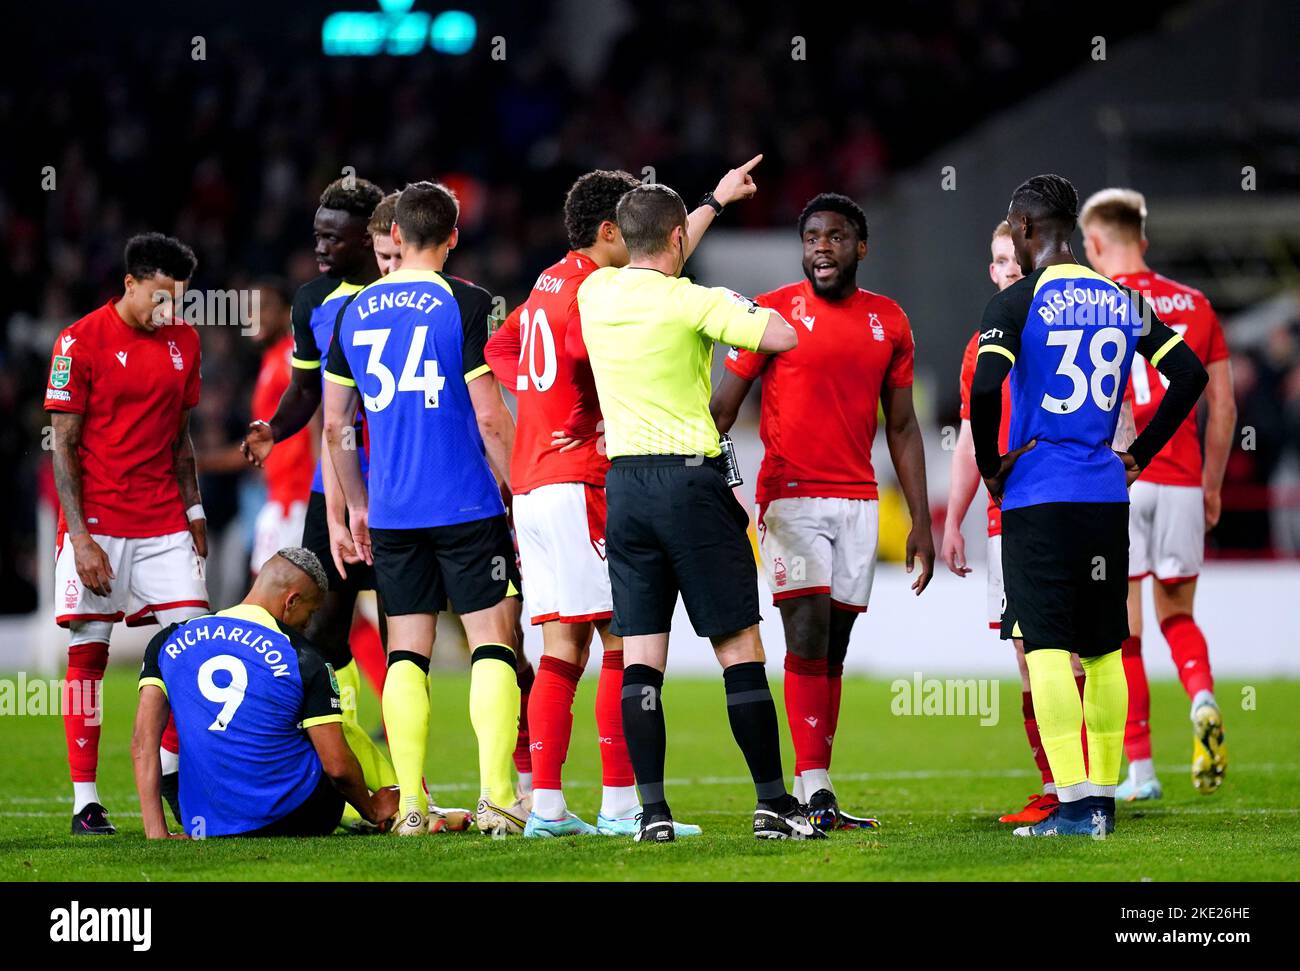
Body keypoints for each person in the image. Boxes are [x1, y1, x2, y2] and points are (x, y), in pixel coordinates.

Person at [484, 161, 761, 837]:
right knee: (621, 639)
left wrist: (713, 203)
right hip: (580, 478)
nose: (641, 249)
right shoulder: (598, 289)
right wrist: (586, 415)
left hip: (532, 486)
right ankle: (618, 802)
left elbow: (499, 346)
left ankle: (545, 805)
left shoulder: (550, 279)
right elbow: (602, 343)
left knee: (558, 648)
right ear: (612, 231)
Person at [574, 180, 820, 842]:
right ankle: (774, 804)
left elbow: (659, 247)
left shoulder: (594, 293)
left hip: (624, 488)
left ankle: (651, 813)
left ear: (622, 238)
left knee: (642, 656)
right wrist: (734, 304)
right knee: (738, 645)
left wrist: (710, 203)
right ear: (679, 239)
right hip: (691, 482)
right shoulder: (695, 302)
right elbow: (783, 335)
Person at [971, 174, 1207, 838]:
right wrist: (1142, 454)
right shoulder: (1122, 300)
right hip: (1105, 494)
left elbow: (986, 389)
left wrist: (992, 468)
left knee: (1045, 647)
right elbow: (1191, 374)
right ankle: (1102, 800)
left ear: (1023, 228)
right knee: (1106, 647)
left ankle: (1072, 805)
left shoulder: (1015, 303)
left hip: (1038, 496)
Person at [711, 192, 933, 831]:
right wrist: (711, 481)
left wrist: (920, 520)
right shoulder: (773, 313)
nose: (821, 248)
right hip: (790, 497)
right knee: (805, 633)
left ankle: (818, 786)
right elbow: (723, 411)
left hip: (859, 500)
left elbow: (904, 426)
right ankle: (813, 789)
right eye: (811, 237)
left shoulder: (888, 321)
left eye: (835, 237)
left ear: (860, 247)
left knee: (833, 647)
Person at [323, 181, 526, 836]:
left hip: (392, 511)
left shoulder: (352, 311)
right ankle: (499, 799)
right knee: (491, 641)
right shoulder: (463, 301)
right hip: (465, 502)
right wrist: (520, 486)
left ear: (397, 239)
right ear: (452, 237)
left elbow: (335, 427)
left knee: (405, 652)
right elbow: (490, 415)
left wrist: (355, 504)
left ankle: (410, 803)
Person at [46, 232, 208, 836]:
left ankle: (168, 771)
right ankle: (85, 800)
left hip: (164, 518)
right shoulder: (78, 341)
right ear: (131, 284)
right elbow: (62, 444)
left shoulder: (185, 343)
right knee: (89, 652)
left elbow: (180, 436)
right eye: (160, 299)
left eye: (179, 301)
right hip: (98, 523)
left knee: (195, 652)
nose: (169, 312)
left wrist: (195, 513)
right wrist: (80, 538)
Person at [1080, 188, 1235, 800]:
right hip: (1180, 480)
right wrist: (1213, 485)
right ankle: (1201, 697)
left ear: (1094, 244)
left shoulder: (1093, 304)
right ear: (1141, 237)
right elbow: (1221, 406)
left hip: (1119, 478)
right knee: (1178, 615)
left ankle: (1140, 771)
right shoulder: (1196, 304)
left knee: (1125, 630)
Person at [943, 222, 1091, 826]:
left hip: (1054, 509)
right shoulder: (982, 344)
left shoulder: (1055, 332)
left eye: (1013, 259)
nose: (1004, 270)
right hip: (1009, 520)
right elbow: (972, 436)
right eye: (998, 260)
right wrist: (954, 520)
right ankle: (1062, 784)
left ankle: (1080, 788)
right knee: (1032, 657)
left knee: (1071, 655)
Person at [132, 548, 399, 837]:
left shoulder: (167, 640)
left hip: (203, 822)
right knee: (331, 728)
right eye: (310, 613)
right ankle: (404, 803)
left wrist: (156, 832)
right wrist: (371, 809)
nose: (308, 624)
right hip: (296, 817)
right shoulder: (304, 657)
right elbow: (336, 767)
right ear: (292, 600)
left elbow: (143, 743)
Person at [239, 176, 386, 693]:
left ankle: (411, 769)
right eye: (317, 236)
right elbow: (304, 391)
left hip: (399, 484)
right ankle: (338, 763)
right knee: (321, 628)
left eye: (333, 238)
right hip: (336, 491)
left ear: (369, 238)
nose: (320, 248)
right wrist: (272, 429)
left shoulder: (402, 293)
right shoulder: (311, 301)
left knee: (403, 633)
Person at [248, 278, 315, 575]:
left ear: (286, 313)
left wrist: (322, 490)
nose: (254, 316)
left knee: (272, 592)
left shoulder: (290, 354)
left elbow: (314, 410)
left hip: (297, 496)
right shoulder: (271, 359)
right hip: (280, 493)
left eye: (263, 308)